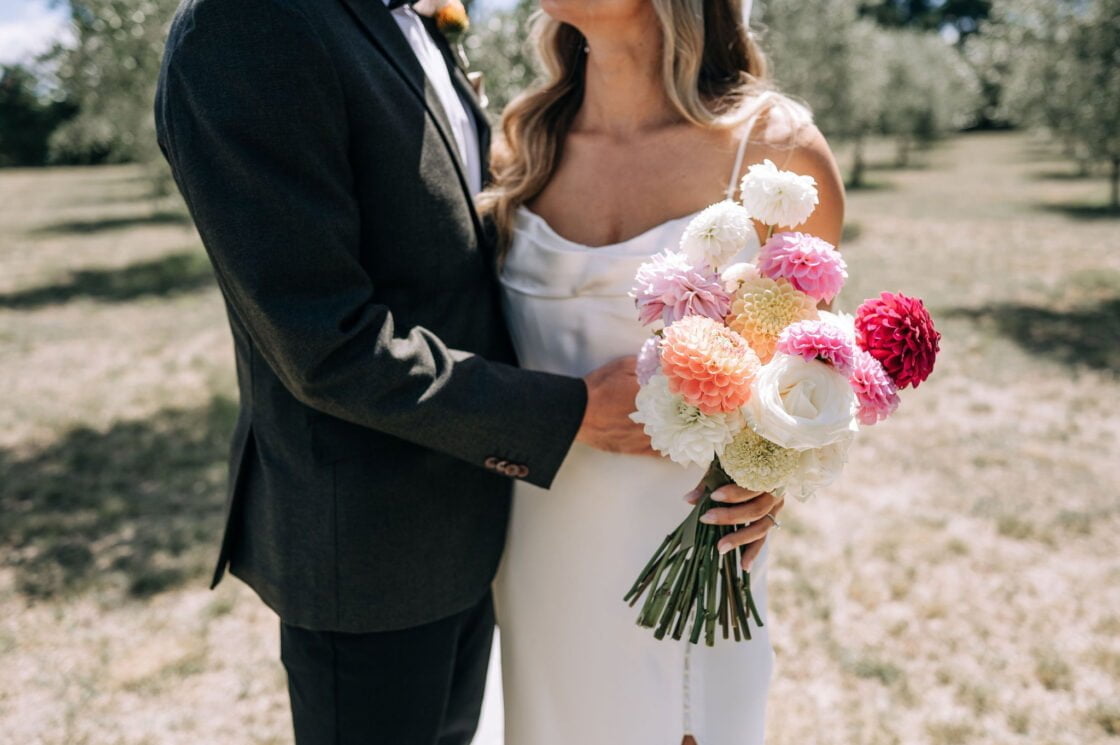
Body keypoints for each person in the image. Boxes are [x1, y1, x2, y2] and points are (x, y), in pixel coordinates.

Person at [152, 0, 652, 742]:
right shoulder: (250, 24)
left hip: (471, 514)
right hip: (367, 545)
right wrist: (566, 410)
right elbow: (325, 340)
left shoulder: (406, 20)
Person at [480, 0, 845, 743]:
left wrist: (772, 471)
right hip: (534, 559)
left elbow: (818, 376)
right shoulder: (525, 146)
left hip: (683, 571)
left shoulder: (774, 153)